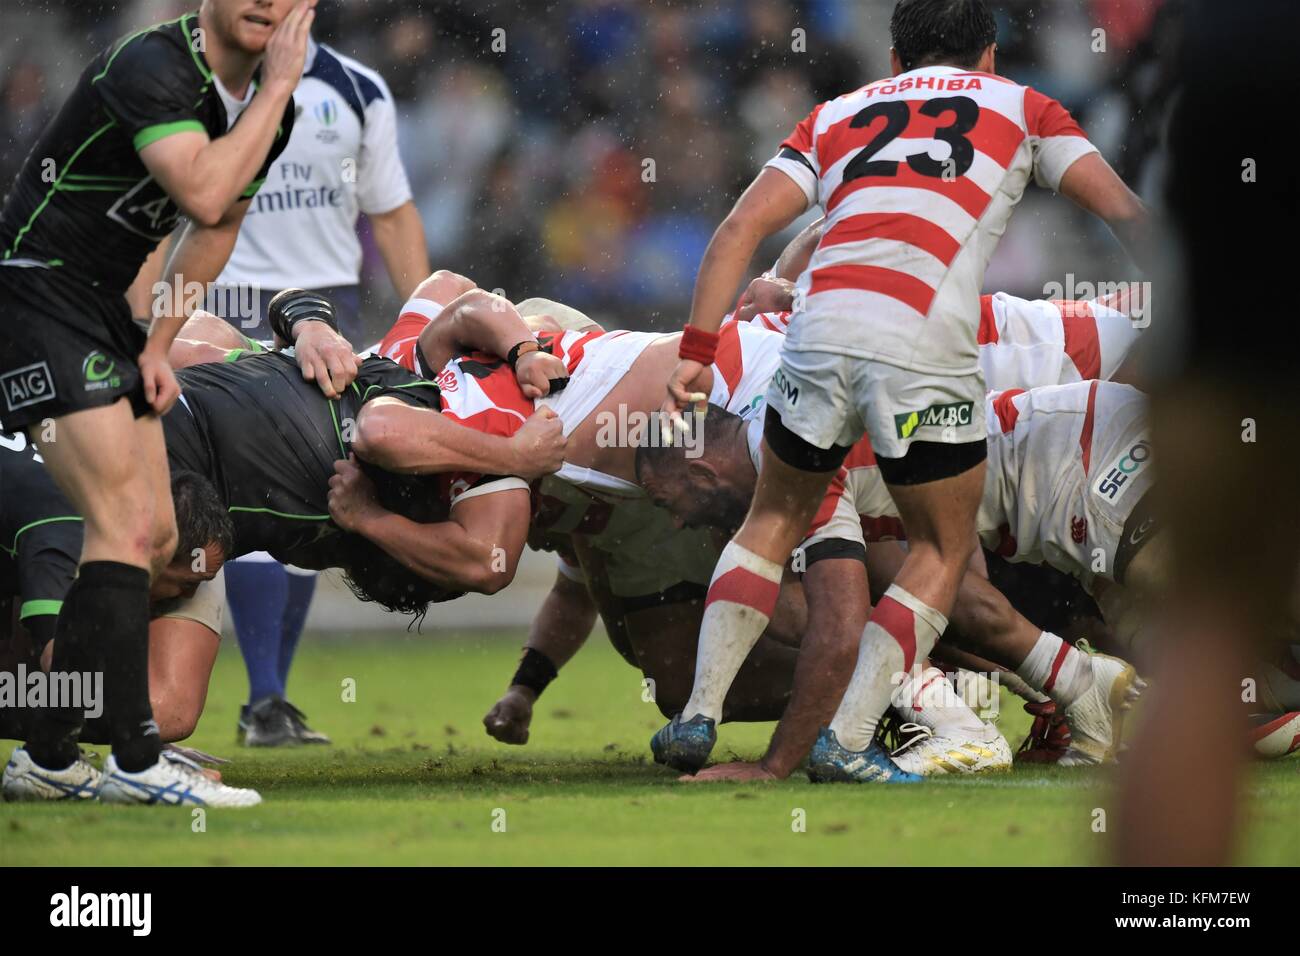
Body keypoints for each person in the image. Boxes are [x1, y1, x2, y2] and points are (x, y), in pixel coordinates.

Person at [654, 0, 1147, 783]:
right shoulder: (1024, 105)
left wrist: (696, 351)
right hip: (923, 349)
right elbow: (1127, 215)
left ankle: (696, 715)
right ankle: (847, 743)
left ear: (894, 60)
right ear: (987, 57)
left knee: (772, 516)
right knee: (942, 551)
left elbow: (736, 232)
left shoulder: (835, 114)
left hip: (814, 336)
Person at [0, 0, 314, 805]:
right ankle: (137, 763)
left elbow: (223, 225)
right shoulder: (154, 67)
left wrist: (159, 342)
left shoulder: (264, 113)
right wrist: (278, 88)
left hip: (103, 308)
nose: (262, 4)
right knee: (124, 525)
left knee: (159, 535)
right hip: (36, 292)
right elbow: (206, 192)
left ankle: (44, 751)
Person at [170, 22, 429, 748]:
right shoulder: (192, 81)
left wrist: (418, 319)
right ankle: (265, 694)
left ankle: (265, 700)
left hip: (328, 311)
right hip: (221, 304)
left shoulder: (357, 90)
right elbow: (164, 209)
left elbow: (392, 209)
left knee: (314, 494)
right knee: (238, 488)